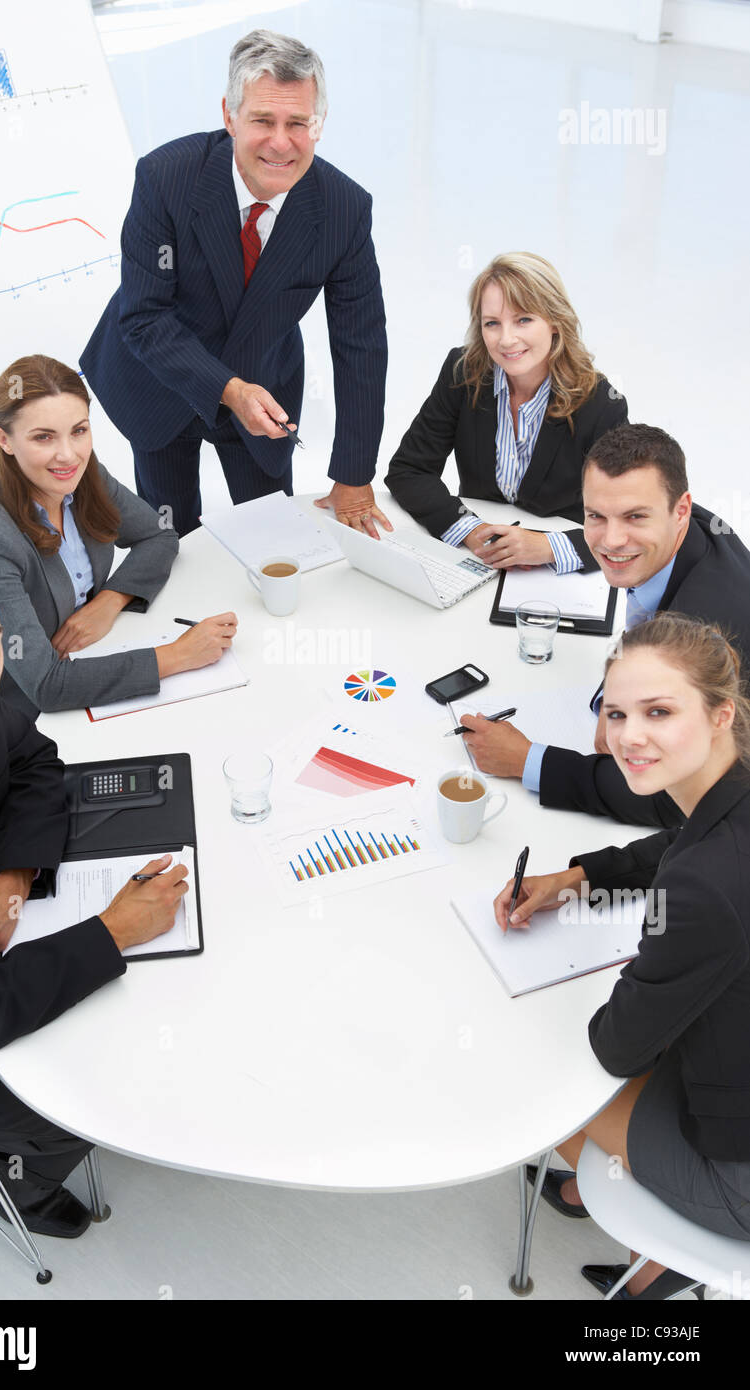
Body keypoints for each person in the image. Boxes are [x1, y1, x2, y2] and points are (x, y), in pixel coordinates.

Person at [0, 555, 188, 1232]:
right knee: (82, 1104)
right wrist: (112, 932)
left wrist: (12, 882)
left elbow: (36, 760)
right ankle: (16, 1180)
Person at [494, 613, 750, 1298]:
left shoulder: (702, 890)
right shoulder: (732, 792)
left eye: (657, 712)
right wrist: (578, 878)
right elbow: (685, 840)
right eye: (614, 713)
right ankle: (610, 1195)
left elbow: (615, 1048)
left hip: (738, 1171)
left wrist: (644, 962)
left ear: (720, 712)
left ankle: (662, 1251)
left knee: (541, 1081)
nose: (627, 737)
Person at [80, 29, 389, 539]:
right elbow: (144, 317)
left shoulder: (344, 209)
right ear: (229, 115)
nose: (281, 142)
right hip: (160, 380)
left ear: (320, 123)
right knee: (170, 540)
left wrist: (354, 474)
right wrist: (228, 389)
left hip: (263, 384)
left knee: (275, 540)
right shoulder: (165, 178)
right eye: (262, 120)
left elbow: (361, 344)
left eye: (298, 123)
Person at [462, 424, 750, 826]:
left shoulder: (702, 636)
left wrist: (531, 762)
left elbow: (680, 796)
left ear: (680, 509)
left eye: (634, 517)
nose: (611, 541)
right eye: (596, 515)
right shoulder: (689, 531)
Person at [0, 355, 237, 717]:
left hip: (97, 653)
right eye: (43, 437)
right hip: (24, 711)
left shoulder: (84, 475)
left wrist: (110, 601)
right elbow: (45, 686)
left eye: (79, 430)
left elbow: (160, 536)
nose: (68, 455)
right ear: (4, 439)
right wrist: (178, 655)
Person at [384, 252, 627, 571]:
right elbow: (409, 470)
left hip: (556, 576)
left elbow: (629, 519)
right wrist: (469, 530)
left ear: (555, 321)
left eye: (523, 319)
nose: (506, 339)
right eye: (492, 324)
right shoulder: (462, 373)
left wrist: (549, 547)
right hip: (478, 560)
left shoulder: (600, 404)